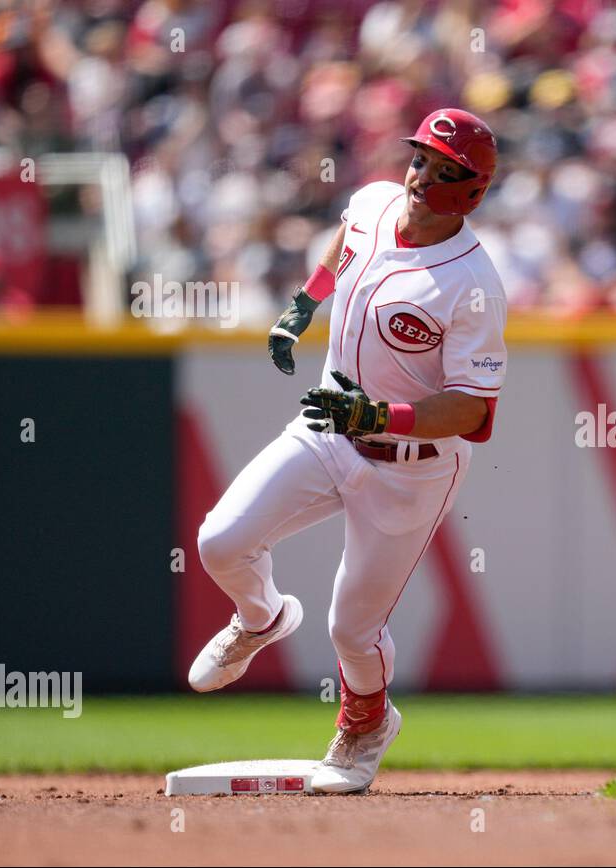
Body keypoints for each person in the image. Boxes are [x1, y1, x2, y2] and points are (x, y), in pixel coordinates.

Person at [188, 108, 506, 793]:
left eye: (445, 170)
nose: (422, 177)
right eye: (420, 158)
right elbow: (343, 246)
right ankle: (260, 616)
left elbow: (474, 410)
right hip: (329, 423)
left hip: (411, 469)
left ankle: (366, 724)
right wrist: (302, 308)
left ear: (471, 189)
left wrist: (380, 412)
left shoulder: (473, 283)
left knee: (352, 632)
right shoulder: (371, 201)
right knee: (220, 540)